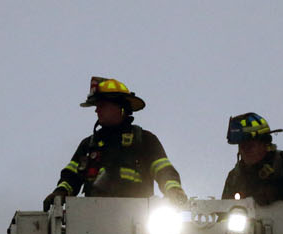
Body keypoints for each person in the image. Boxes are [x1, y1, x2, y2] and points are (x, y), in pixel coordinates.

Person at [43, 77, 188, 211]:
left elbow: (163, 170)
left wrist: (174, 190)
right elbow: (71, 176)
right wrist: (60, 192)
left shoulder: (144, 140)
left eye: (102, 105)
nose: (96, 110)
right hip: (92, 219)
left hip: (140, 217)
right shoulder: (89, 145)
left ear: (121, 108)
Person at [220, 113, 283, 205]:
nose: (245, 151)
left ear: (265, 143)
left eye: (250, 146)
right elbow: (223, 210)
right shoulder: (235, 176)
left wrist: (280, 193)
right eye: (242, 146)